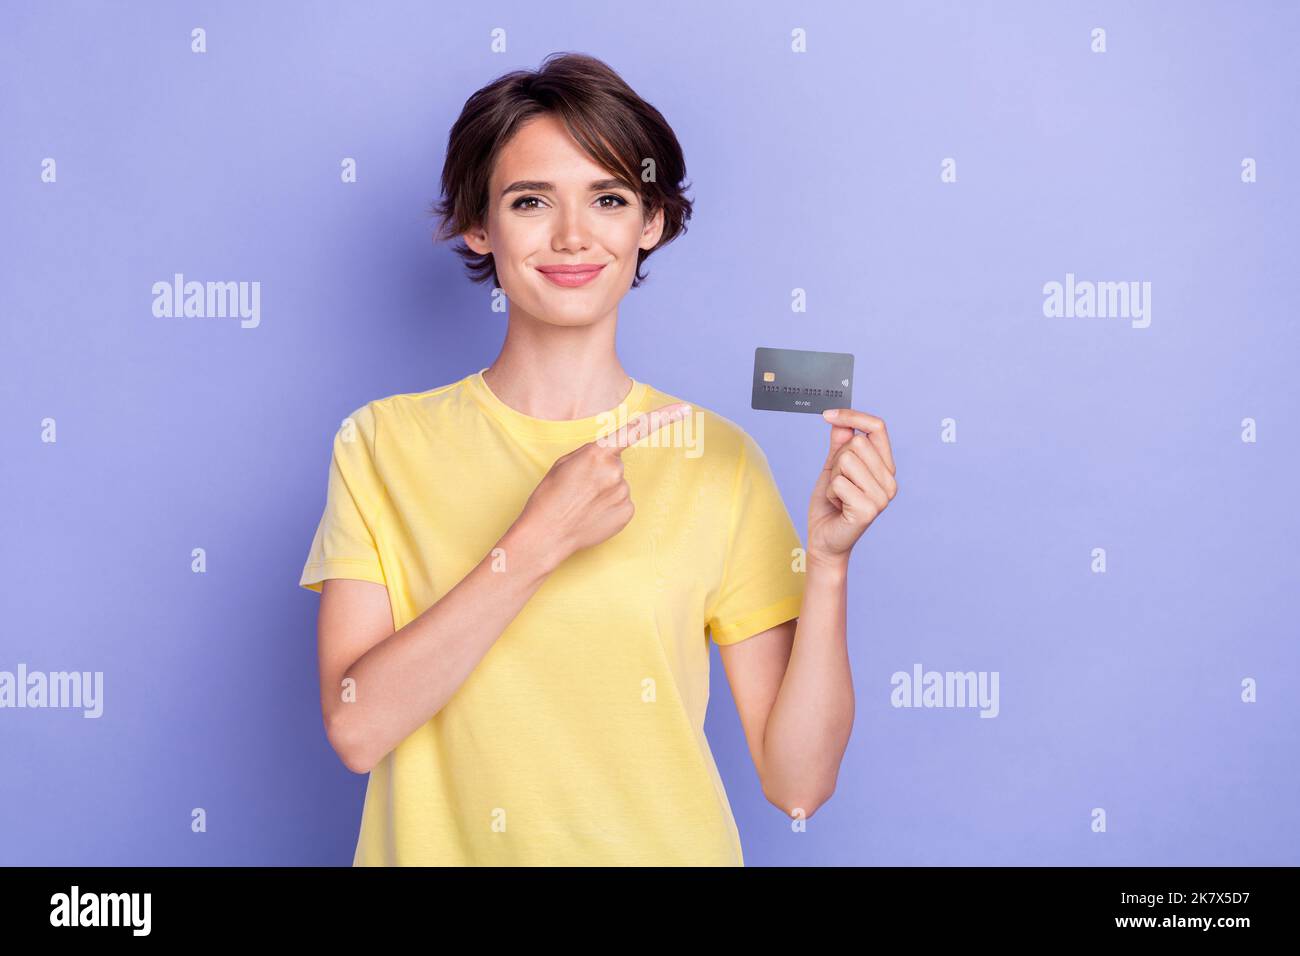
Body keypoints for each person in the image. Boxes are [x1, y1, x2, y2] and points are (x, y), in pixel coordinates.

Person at [298, 52, 897, 866]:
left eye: (609, 199)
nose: (573, 236)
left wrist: (827, 565)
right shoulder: (379, 444)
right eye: (531, 201)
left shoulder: (718, 460)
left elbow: (797, 784)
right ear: (481, 224)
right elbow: (357, 729)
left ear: (648, 222)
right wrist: (538, 539)